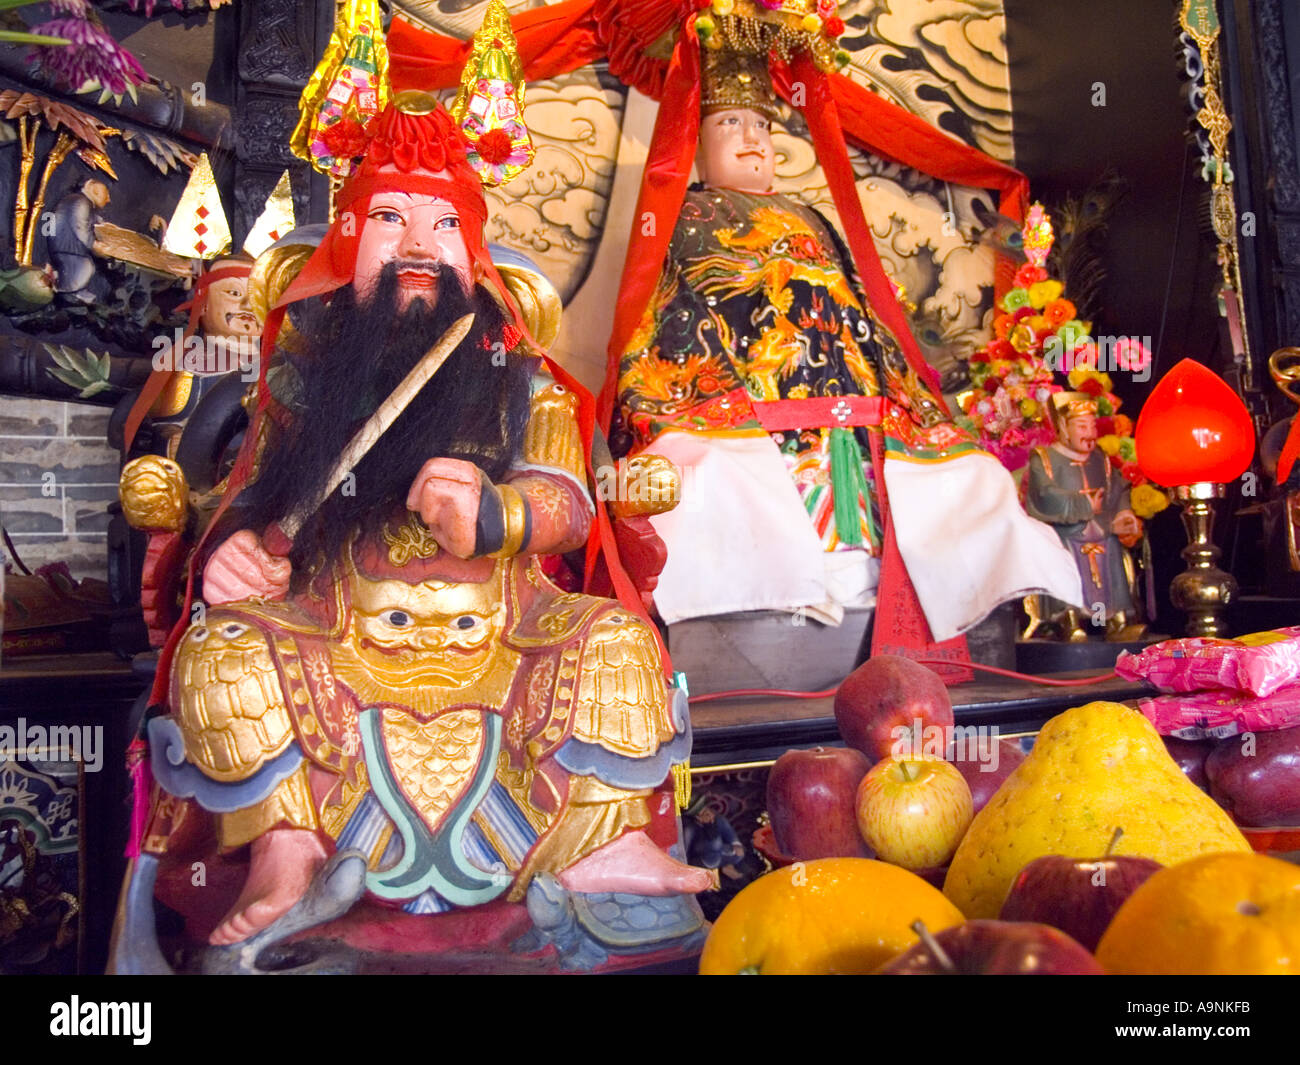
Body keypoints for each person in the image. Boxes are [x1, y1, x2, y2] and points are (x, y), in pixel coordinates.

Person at [133, 94, 711, 969]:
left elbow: (567, 500)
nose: (416, 244)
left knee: (615, 640)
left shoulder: (524, 380)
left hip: (502, 631)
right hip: (337, 626)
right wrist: (232, 554)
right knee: (220, 650)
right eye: (390, 218)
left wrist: (498, 514)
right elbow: (248, 500)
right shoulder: (299, 380)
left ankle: (601, 846)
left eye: (444, 224)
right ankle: (286, 850)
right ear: (346, 245)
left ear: (473, 256)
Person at [611, 48, 1083, 640]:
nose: (751, 137)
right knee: (710, 479)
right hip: (740, 406)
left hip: (855, 401)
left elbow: (862, 305)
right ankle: (774, 620)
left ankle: (888, 604)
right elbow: (665, 317)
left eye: (761, 124)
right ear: (696, 144)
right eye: (729, 124)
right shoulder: (685, 217)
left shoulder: (816, 216)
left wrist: (900, 392)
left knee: (968, 476)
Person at [1025, 392, 1145, 641]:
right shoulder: (1045, 458)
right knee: (1062, 554)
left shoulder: (1101, 459)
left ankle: (1117, 622)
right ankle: (1069, 622)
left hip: (1102, 531)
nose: (1089, 433)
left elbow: (1117, 489)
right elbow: (1043, 494)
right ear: (1063, 428)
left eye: (1092, 426)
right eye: (1081, 426)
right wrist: (1082, 502)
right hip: (1065, 533)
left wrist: (1123, 513)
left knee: (1112, 549)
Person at [49, 178, 111, 303]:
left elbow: (90, 222)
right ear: (93, 188)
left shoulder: (83, 203)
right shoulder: (80, 202)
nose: (108, 199)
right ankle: (66, 290)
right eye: (107, 193)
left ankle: (74, 290)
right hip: (66, 246)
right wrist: (93, 244)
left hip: (71, 246)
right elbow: (79, 226)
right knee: (84, 267)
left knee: (85, 266)